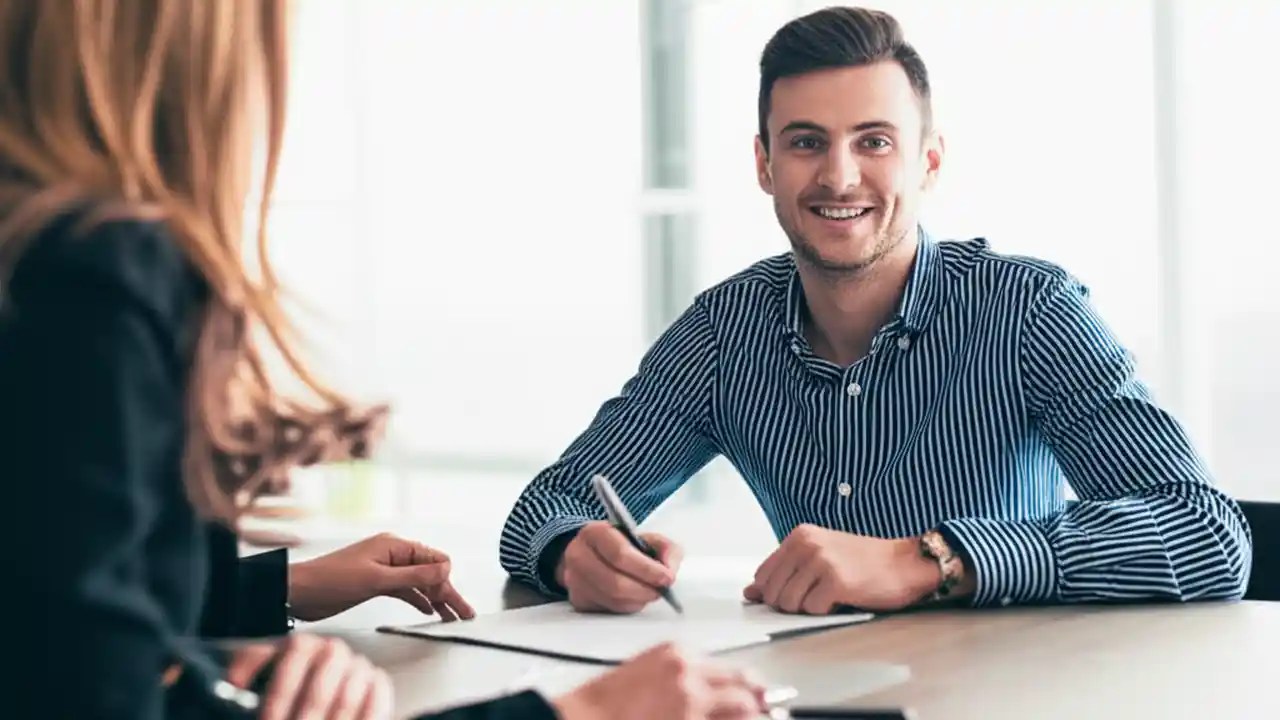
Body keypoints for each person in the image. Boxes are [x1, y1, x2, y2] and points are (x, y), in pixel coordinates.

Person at [1, 1, 766, 718]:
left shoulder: (41, 252)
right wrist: (577, 710)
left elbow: (53, 609)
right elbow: (90, 685)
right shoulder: (83, 277)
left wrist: (279, 590)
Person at [499, 5, 1253, 616]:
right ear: (764, 164)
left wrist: (927, 560)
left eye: (874, 141)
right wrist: (573, 554)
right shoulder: (723, 333)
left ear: (928, 161)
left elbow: (1208, 534)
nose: (839, 175)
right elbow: (547, 507)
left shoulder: (1029, 310)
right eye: (806, 142)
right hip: (813, 690)